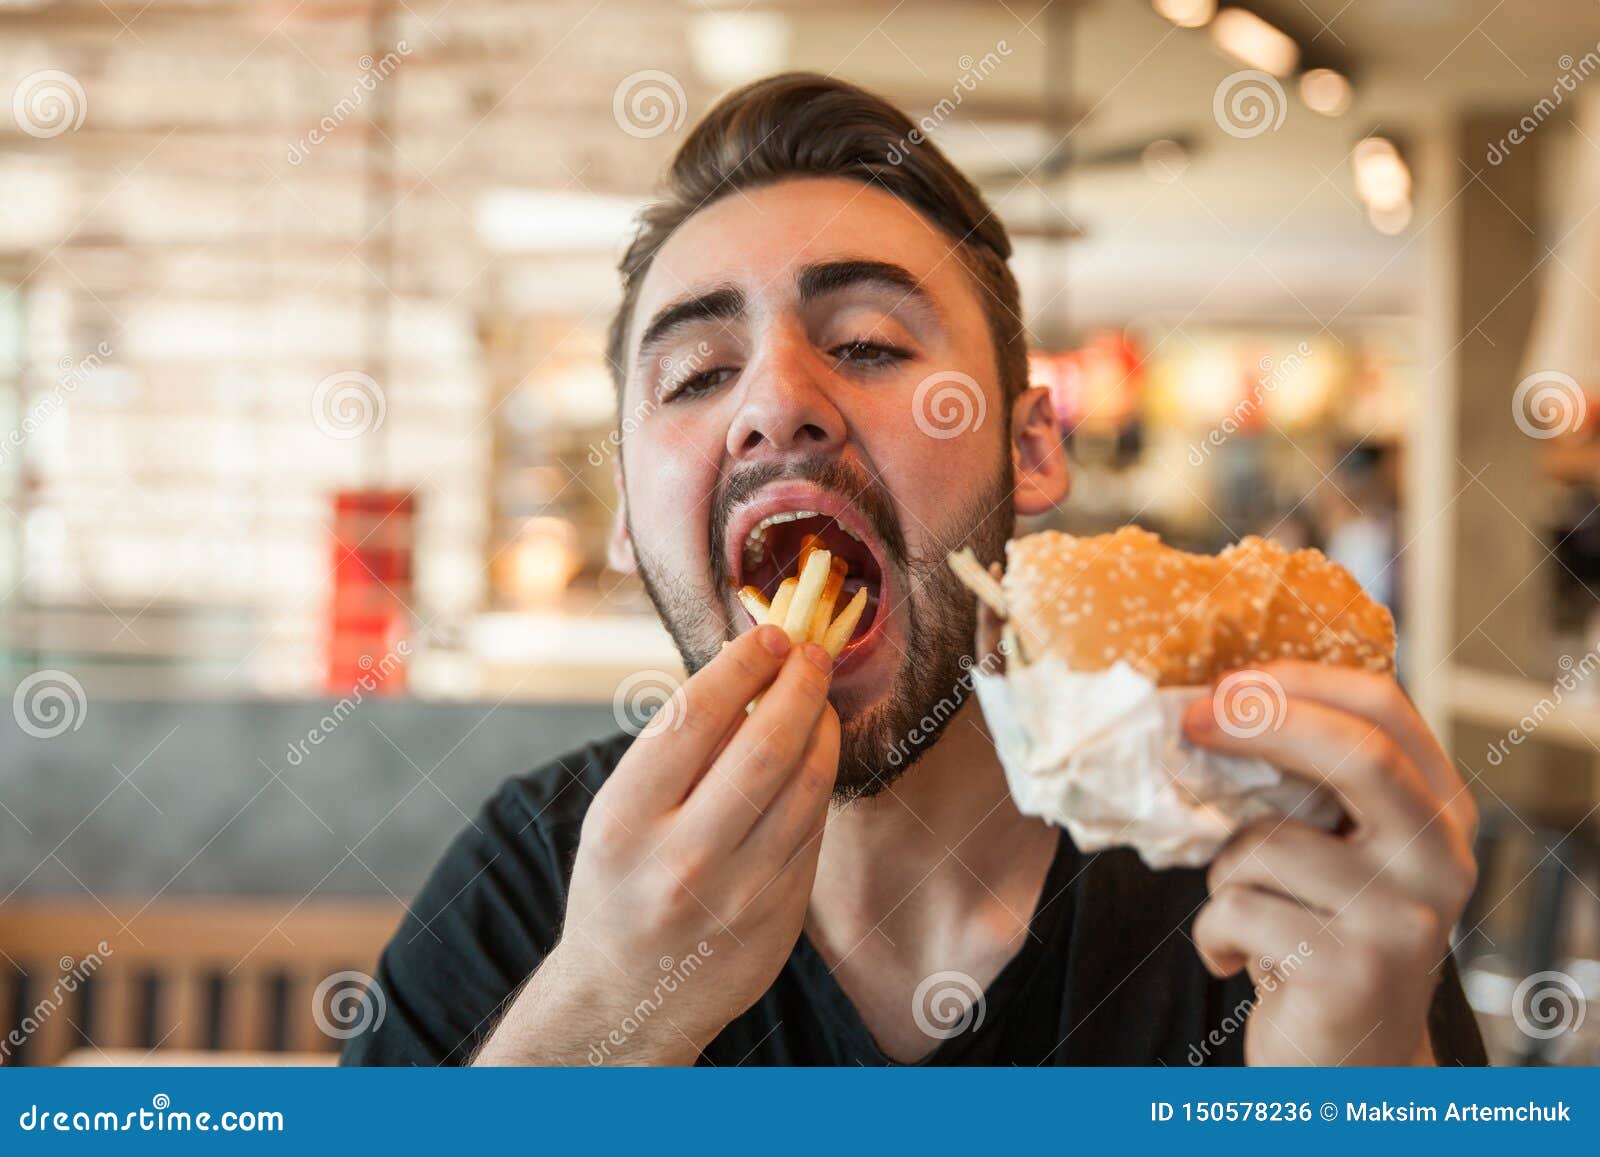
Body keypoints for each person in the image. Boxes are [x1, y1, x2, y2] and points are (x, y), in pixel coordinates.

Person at [342, 73, 1485, 1067]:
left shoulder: (1268, 880)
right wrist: (603, 1012)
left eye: (867, 345)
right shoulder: (528, 879)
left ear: (1030, 450)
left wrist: (1357, 1083)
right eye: (695, 375)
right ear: (631, 522)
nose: (776, 401)